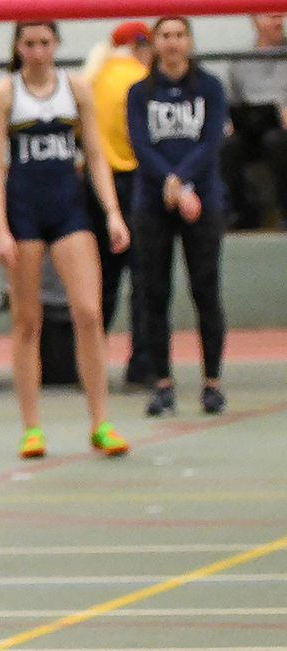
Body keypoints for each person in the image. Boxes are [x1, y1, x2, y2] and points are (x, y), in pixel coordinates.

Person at [0, 22, 133, 459]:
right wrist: (0, 228)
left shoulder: (77, 88)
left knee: (89, 311)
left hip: (69, 209)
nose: (37, 51)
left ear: (57, 45)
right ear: (17, 46)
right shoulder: (3, 95)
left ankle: (100, 421)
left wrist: (112, 212)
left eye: (45, 43)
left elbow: (96, 154)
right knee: (27, 320)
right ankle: (32, 427)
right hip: (24, 212)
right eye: (29, 44)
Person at [129, 16, 230, 416]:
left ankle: (213, 382)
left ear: (189, 41)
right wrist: (168, 182)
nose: (172, 43)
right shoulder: (140, 92)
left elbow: (211, 141)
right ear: (154, 43)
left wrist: (183, 181)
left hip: (201, 199)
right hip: (153, 202)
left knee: (206, 290)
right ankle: (163, 383)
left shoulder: (209, 87)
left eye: (179, 35)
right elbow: (140, 143)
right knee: (154, 292)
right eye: (165, 36)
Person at [85, 21, 155, 385]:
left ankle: (88, 361)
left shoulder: (94, 77)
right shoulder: (140, 79)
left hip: (96, 185)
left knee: (102, 280)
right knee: (143, 277)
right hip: (133, 181)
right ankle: (142, 362)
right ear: (142, 46)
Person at [219, 13, 287, 230]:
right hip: (251, 128)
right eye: (271, 17)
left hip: (281, 131)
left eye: (281, 16)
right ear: (255, 21)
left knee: (275, 141)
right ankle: (239, 214)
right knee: (228, 146)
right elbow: (233, 101)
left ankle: (284, 211)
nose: (278, 22)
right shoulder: (241, 60)